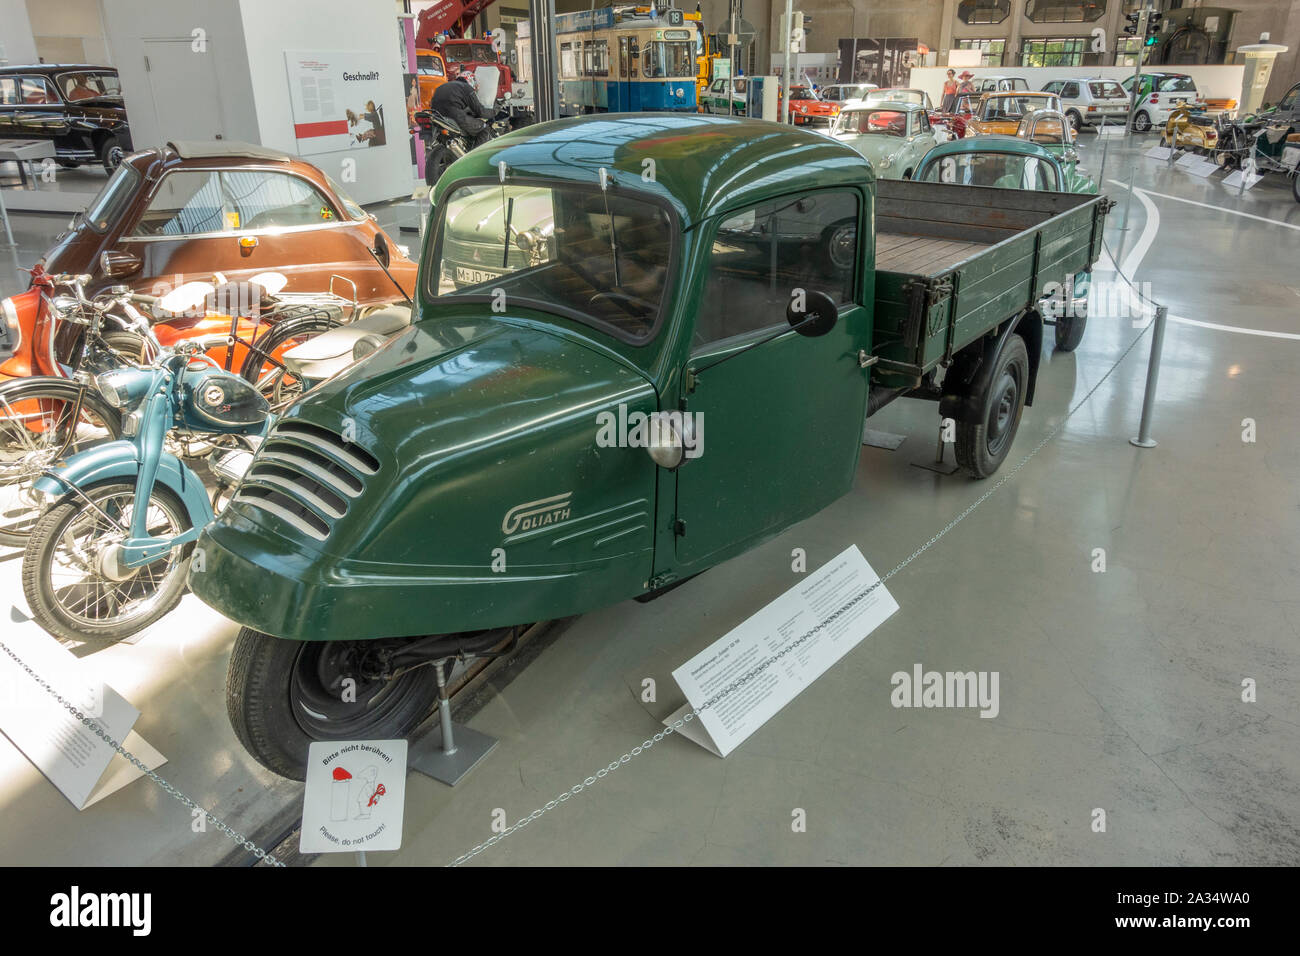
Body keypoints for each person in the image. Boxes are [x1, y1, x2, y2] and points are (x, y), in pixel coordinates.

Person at [430, 73, 493, 150]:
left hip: (437, 115)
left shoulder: (443, 86)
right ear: (471, 80)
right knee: (484, 128)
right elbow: (480, 111)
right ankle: (475, 157)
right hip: (454, 116)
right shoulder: (466, 88)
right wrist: (494, 112)